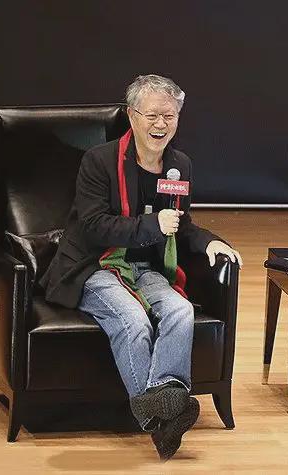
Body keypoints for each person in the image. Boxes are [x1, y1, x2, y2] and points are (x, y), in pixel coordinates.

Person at [41, 74, 242, 460]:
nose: (160, 124)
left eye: (169, 115)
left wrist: (209, 241)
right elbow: (93, 225)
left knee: (181, 310)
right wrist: (153, 225)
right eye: (152, 115)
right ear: (132, 116)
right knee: (132, 320)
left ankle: (164, 402)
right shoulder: (99, 161)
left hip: (146, 267)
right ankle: (165, 417)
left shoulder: (179, 165)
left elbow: (181, 226)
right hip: (95, 265)